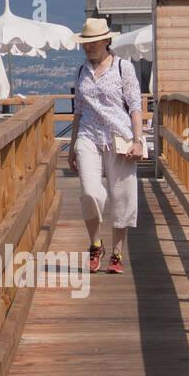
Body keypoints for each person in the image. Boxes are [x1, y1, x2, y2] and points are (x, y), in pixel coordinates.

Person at [67, 17, 145, 274]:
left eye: (93, 42)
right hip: (88, 136)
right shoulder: (81, 71)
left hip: (119, 138)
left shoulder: (124, 68)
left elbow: (135, 106)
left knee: (122, 196)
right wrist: (71, 146)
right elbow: (78, 110)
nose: (88, 47)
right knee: (90, 192)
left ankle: (117, 253)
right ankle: (95, 243)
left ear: (106, 41)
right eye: (85, 43)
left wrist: (138, 140)